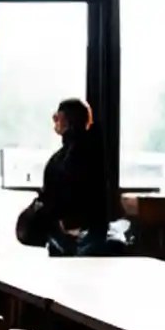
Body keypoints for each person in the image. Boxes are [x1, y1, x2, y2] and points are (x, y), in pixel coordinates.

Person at [38, 98, 114, 256]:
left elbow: (64, 189)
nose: (54, 122)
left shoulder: (72, 153)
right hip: (88, 228)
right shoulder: (92, 148)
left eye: (57, 117)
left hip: (73, 231)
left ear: (66, 119)